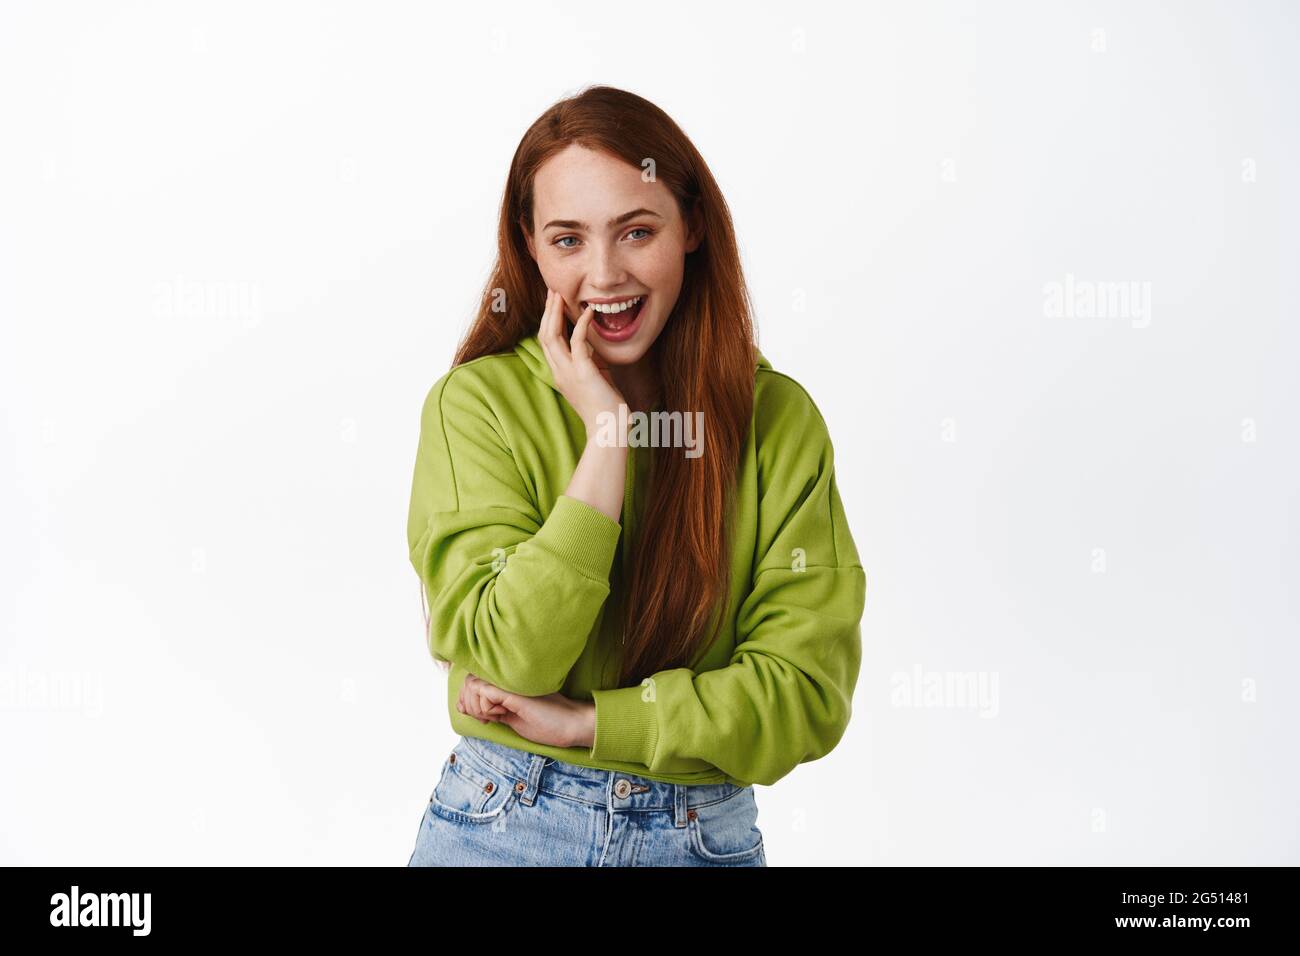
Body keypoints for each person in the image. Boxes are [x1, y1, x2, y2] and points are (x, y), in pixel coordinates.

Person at [405, 85, 866, 866]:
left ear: (690, 227)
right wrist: (608, 439)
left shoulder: (779, 421)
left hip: (703, 837)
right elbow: (514, 659)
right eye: (568, 239)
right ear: (530, 245)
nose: (606, 273)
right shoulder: (475, 405)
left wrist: (594, 725)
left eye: (637, 230)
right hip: (507, 823)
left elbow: (806, 695)